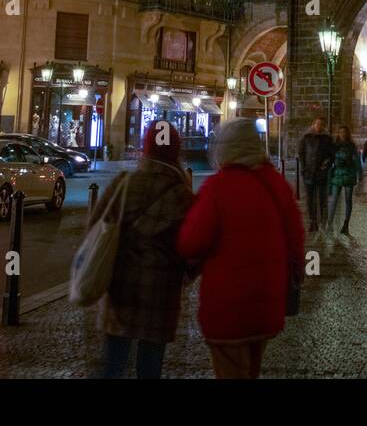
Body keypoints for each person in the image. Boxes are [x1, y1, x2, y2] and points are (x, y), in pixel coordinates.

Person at [177, 119, 304, 379]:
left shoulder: (217, 187)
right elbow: (296, 236)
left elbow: (191, 241)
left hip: (227, 307)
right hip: (268, 301)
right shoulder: (277, 183)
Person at [94, 121, 195, 379]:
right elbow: (195, 247)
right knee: (150, 367)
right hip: (161, 293)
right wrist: (186, 275)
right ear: (176, 151)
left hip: (120, 288)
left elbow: (96, 229)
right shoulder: (181, 193)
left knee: (113, 364)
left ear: (145, 148)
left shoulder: (124, 183)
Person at [296, 117, 334, 232]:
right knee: (310, 200)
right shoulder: (306, 138)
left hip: (321, 174)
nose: (319, 126)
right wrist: (304, 168)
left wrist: (325, 166)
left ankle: (323, 222)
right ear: (313, 125)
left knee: (322, 199)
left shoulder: (327, 139)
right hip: (309, 173)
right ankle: (313, 222)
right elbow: (301, 153)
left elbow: (331, 155)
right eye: (317, 124)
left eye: (321, 124)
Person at [328, 126, 361, 236]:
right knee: (334, 200)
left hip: (348, 175)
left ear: (347, 134)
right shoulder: (334, 146)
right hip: (337, 175)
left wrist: (359, 173)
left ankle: (346, 224)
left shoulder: (352, 146)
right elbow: (330, 159)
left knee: (348, 200)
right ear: (338, 133)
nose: (342, 134)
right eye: (340, 132)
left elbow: (357, 161)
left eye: (344, 132)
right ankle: (330, 224)